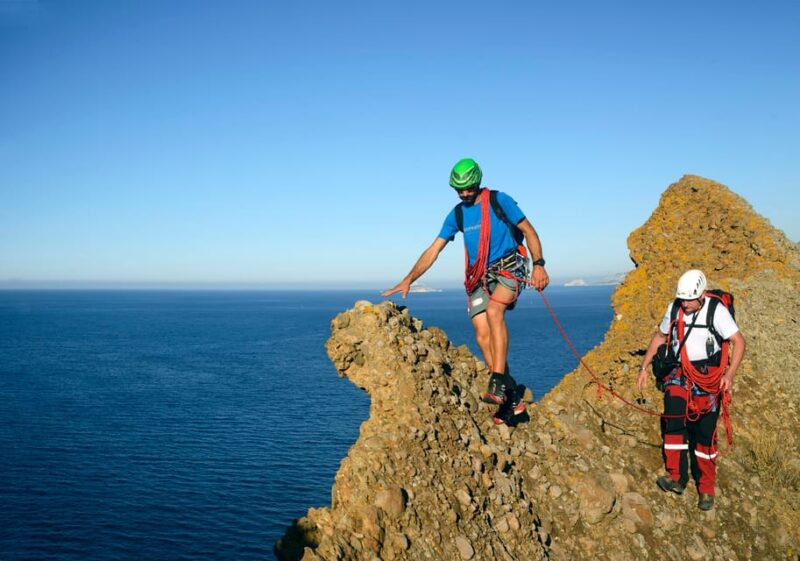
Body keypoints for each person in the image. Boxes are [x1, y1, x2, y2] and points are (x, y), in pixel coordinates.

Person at [382, 158, 549, 424]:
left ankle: (497, 382)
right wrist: (409, 279)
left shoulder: (499, 200)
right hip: (480, 276)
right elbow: (433, 250)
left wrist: (539, 265)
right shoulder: (457, 214)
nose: (464, 194)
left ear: (478, 182)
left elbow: (529, 231)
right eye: (459, 190)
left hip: (510, 267)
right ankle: (512, 399)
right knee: (482, 335)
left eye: (468, 188)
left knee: (495, 312)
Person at [637, 269, 746, 510]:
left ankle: (706, 488)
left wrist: (729, 374)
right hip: (679, 374)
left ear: (701, 295)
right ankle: (676, 477)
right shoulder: (674, 308)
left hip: (708, 377)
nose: (684, 304)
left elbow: (739, 341)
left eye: (689, 300)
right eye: (682, 299)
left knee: (704, 436)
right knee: (674, 423)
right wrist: (643, 368)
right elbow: (659, 337)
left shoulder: (716, 311)